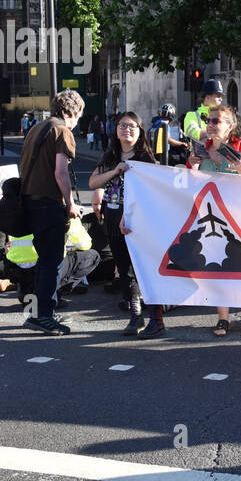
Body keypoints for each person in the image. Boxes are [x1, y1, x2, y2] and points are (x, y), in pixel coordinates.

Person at [189, 103, 241, 335]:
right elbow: (188, 185)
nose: (210, 125)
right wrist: (192, 168)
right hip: (212, 216)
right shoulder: (201, 149)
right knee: (216, 263)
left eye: (216, 121)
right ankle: (223, 317)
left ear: (230, 126)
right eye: (209, 120)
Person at [18, 89, 85, 335]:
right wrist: (70, 203)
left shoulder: (38, 127)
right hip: (48, 203)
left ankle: (40, 311)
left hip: (31, 202)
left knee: (44, 260)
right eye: (80, 114)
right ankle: (42, 316)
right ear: (74, 111)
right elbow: (60, 172)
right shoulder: (62, 131)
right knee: (51, 262)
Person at [89, 112, 162, 337]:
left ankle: (156, 320)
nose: (126, 129)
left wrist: (128, 214)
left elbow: (150, 192)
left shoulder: (145, 159)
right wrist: (114, 171)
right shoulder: (111, 156)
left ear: (140, 131)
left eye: (132, 126)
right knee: (124, 270)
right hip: (112, 217)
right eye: (122, 125)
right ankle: (135, 316)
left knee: (145, 270)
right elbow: (93, 181)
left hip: (137, 219)